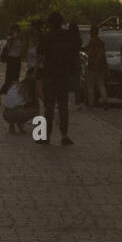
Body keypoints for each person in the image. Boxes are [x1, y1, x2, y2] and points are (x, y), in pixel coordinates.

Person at [36, 11, 79, 145]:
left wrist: (38, 76)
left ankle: (45, 136)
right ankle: (64, 135)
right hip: (64, 75)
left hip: (49, 75)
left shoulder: (46, 37)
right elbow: (75, 54)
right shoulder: (68, 37)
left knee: (48, 107)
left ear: (49, 24)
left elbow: (40, 58)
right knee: (63, 106)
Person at [2, 70, 36, 135]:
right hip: (17, 113)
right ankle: (20, 123)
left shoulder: (14, 85)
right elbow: (28, 101)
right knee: (35, 108)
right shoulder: (26, 88)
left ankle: (12, 125)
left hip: (6, 114)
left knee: (16, 106)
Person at [84, 25, 109, 110]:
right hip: (100, 67)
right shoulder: (101, 43)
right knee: (101, 85)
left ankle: (91, 104)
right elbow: (102, 55)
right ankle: (105, 102)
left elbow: (90, 53)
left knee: (90, 86)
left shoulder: (91, 42)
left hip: (91, 66)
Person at [0, 26, 22, 104]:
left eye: (18, 31)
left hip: (18, 59)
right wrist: (12, 39)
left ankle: (12, 96)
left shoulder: (20, 40)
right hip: (11, 59)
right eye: (16, 31)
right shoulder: (10, 40)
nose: (18, 33)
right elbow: (8, 49)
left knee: (16, 80)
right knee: (9, 79)